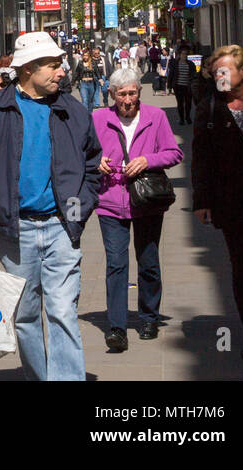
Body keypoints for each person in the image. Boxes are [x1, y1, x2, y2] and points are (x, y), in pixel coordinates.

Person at [0, 31, 101, 381]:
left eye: (60, 64)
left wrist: (77, 214)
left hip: (61, 227)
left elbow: (92, 165)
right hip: (14, 231)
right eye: (53, 65)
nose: (61, 71)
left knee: (62, 312)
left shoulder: (73, 110)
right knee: (24, 317)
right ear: (27, 70)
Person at [192, 45, 243, 360]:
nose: (219, 77)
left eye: (224, 71)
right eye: (215, 73)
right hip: (231, 200)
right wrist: (201, 200)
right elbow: (200, 157)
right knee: (242, 266)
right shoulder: (209, 108)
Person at [92, 67, 182, 350]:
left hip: (146, 201)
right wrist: (97, 161)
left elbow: (174, 153)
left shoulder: (156, 117)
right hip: (110, 201)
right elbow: (84, 151)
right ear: (112, 94)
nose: (128, 99)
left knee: (149, 262)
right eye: (122, 94)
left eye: (132, 93)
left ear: (139, 92)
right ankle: (117, 327)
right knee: (116, 265)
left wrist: (147, 160)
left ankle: (148, 317)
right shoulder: (98, 118)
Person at [173, 45, 195, 126]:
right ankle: (182, 119)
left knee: (188, 103)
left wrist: (192, 81)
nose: (184, 55)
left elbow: (194, 74)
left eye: (186, 54)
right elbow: (172, 74)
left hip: (188, 87)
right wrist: (169, 85)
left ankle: (188, 117)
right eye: (183, 54)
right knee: (180, 103)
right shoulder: (176, 63)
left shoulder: (190, 64)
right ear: (180, 55)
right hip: (178, 86)